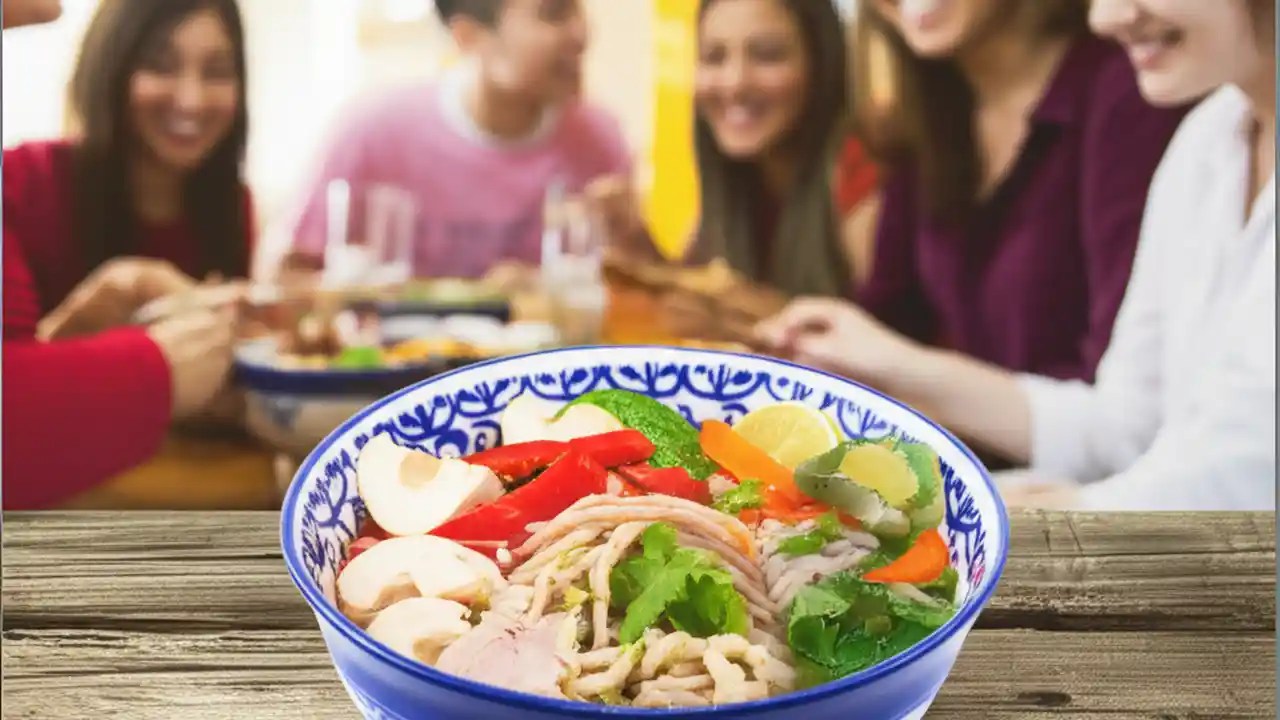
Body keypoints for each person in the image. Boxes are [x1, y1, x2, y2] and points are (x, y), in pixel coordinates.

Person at [759, 0, 1276, 512]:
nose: (1104, 18)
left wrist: (1060, 510)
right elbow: (1129, 425)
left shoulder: (1134, 100)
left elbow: (1249, 467)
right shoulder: (1208, 137)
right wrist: (883, 360)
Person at [3, 0, 254, 509]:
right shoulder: (23, 183)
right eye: (160, 65)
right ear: (110, 68)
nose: (191, 99)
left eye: (217, 72)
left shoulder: (232, 205)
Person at [268, 0, 634, 282]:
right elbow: (284, 275)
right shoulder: (373, 131)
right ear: (469, 36)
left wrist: (632, 236)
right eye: (554, 14)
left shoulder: (599, 139)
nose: (582, 33)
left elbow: (643, 294)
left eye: (578, 10)